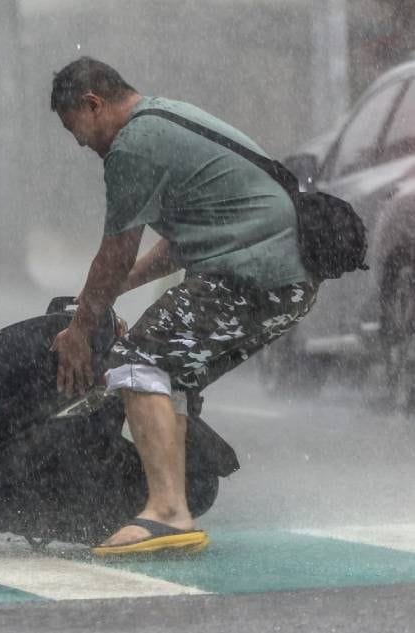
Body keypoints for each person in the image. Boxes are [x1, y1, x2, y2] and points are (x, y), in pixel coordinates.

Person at [49, 57, 317, 556]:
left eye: (75, 128)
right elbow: (177, 245)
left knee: (136, 359)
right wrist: (108, 295)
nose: (79, 143)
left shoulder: (133, 146)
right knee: (170, 368)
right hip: (288, 280)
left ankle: (168, 511)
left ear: (93, 103)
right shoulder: (166, 118)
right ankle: (174, 502)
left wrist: (81, 328)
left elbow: (116, 250)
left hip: (255, 274)